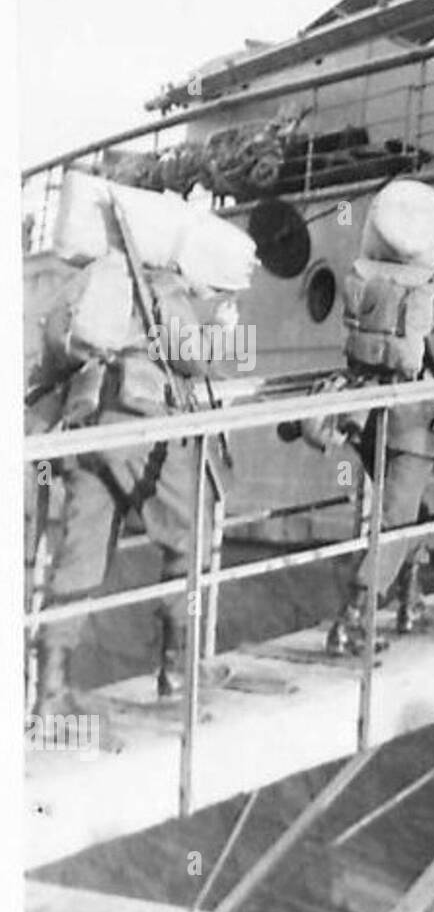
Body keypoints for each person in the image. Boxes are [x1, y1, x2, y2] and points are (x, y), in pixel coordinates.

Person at [30, 249, 243, 730]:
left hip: (85, 431)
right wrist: (226, 331)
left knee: (81, 557)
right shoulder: (163, 291)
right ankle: (178, 668)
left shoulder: (96, 286)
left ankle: (50, 690)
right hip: (139, 429)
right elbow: (194, 360)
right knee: (188, 540)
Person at [326, 224, 434, 655]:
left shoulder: (395, 290)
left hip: (371, 420)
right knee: (396, 522)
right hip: (414, 430)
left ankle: (410, 602)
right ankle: (352, 619)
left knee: (417, 510)